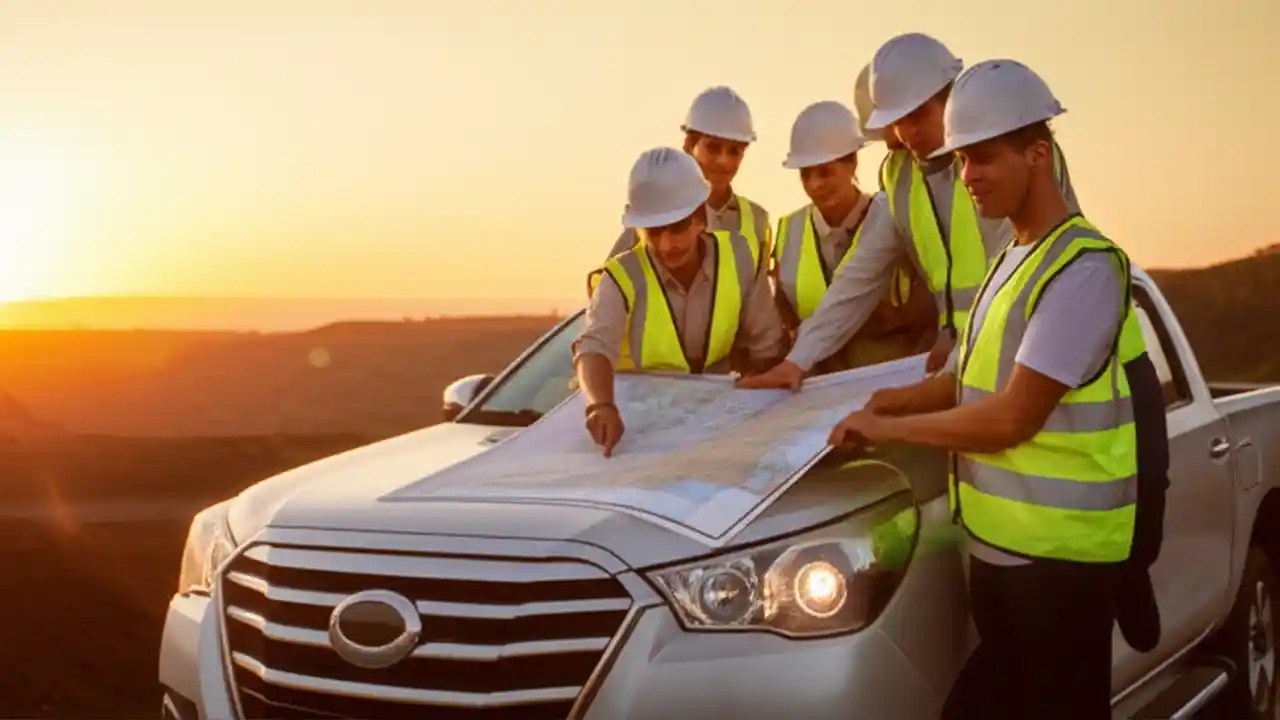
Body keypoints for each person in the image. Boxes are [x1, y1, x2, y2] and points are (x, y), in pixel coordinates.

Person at [826, 60, 1144, 719]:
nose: (967, 178)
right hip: (1002, 559)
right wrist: (892, 401)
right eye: (961, 160)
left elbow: (1010, 419)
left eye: (983, 159)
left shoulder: (1082, 269)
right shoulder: (1010, 259)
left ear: (1038, 154)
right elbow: (965, 380)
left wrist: (887, 430)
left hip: (1058, 569)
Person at [739, 33, 1079, 391]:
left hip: (1036, 352)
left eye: (919, 115)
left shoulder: (1002, 163)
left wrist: (953, 362)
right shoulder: (900, 175)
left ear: (952, 99)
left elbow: (1011, 278)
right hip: (971, 361)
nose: (908, 132)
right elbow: (859, 277)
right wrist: (797, 361)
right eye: (899, 120)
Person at [574, 147, 785, 457]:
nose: (667, 245)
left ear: (701, 217)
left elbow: (768, 348)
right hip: (638, 432)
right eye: (654, 232)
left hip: (717, 427)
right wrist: (601, 405)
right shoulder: (622, 277)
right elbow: (593, 348)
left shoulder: (739, 257)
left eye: (678, 228)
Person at [771, 100, 934, 371]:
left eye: (825, 171)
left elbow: (934, 294)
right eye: (806, 174)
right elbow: (783, 309)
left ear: (852, 163)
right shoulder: (790, 229)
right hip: (815, 387)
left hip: (890, 381)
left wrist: (903, 318)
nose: (815, 184)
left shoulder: (893, 215)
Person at [603, 86, 771, 261]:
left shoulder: (757, 220)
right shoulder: (659, 209)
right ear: (690, 146)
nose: (724, 161)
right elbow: (611, 280)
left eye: (734, 151)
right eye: (714, 148)